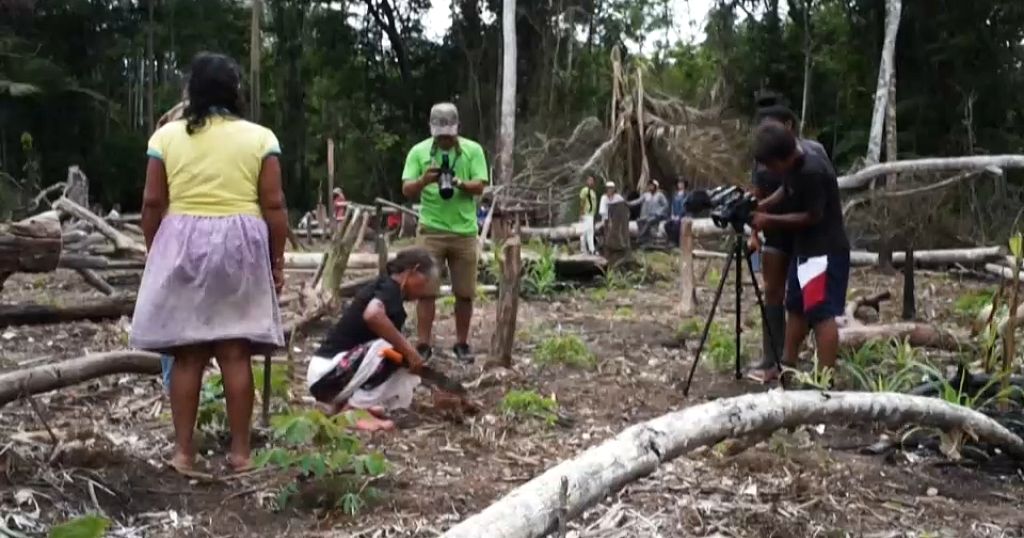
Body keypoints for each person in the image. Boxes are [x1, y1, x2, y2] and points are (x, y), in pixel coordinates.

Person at [131, 52, 288, 473]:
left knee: (188, 356)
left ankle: (184, 453)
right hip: (241, 245)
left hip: (183, 243)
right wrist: (276, 263)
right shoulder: (260, 138)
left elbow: (152, 202)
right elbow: (273, 205)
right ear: (235, 92)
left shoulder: (166, 138)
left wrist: (155, 252)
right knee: (235, 353)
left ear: (192, 92)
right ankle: (240, 454)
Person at [746, 123, 850, 384]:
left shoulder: (812, 170)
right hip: (804, 250)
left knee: (820, 314)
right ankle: (786, 367)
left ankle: (824, 382)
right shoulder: (796, 161)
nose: (770, 172)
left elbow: (811, 217)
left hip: (823, 252)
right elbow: (787, 190)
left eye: (771, 166)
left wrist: (768, 219)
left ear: (783, 158)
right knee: (796, 307)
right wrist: (761, 205)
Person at [306, 247, 436, 431]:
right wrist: (408, 350)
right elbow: (373, 315)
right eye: (425, 281)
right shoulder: (389, 289)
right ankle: (354, 410)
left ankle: (350, 404)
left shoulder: (389, 293)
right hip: (326, 376)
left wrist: (412, 362)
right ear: (412, 271)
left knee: (403, 362)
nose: (424, 289)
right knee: (388, 349)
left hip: (333, 378)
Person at [401, 103, 489, 363]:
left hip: (464, 231)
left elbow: (481, 185)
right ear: (432, 131)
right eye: (440, 135)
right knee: (426, 291)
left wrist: (459, 182)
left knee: (464, 292)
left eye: (449, 135)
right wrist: (424, 181)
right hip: (431, 229)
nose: (445, 140)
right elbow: (406, 188)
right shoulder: (419, 152)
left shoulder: (473, 151)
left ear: (457, 129)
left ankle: (461, 343)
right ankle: (424, 344)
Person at [578, 175, 598, 254]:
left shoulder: (593, 192)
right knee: (584, 232)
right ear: (586, 181)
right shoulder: (584, 190)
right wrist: (581, 213)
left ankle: (591, 249)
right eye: (589, 180)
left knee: (590, 232)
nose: (591, 182)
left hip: (591, 215)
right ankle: (584, 249)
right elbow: (582, 201)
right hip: (585, 214)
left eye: (592, 180)